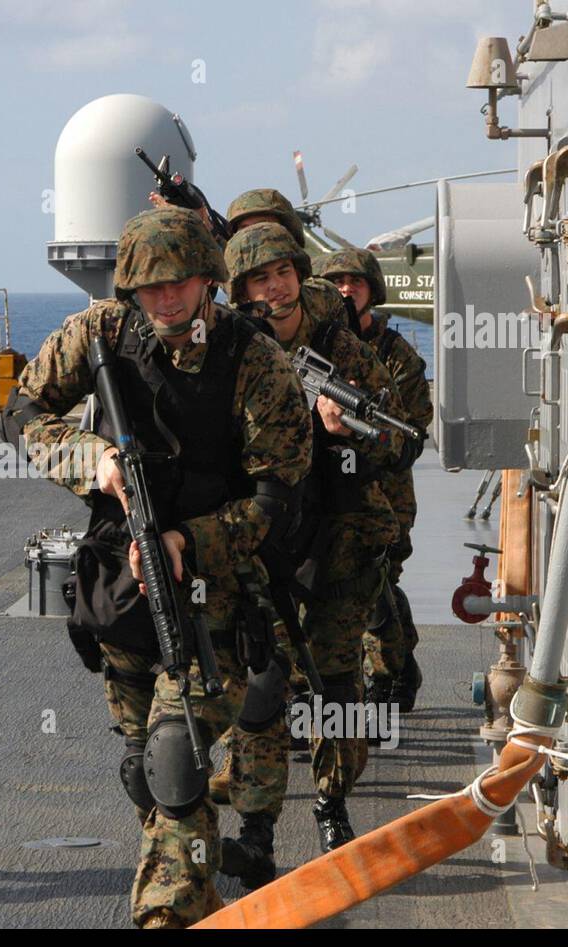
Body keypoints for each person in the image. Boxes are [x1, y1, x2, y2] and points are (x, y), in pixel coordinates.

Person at [0, 207, 311, 927]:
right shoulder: (100, 332)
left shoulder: (254, 361)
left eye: (180, 286)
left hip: (216, 591)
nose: (166, 303)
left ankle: (167, 913)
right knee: (147, 769)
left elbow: (278, 498)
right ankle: (198, 873)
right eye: (150, 290)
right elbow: (20, 413)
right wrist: (92, 459)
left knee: (177, 761)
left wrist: (190, 542)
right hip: (118, 579)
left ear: (208, 281)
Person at [217, 223, 407, 870]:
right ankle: (257, 830)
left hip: (344, 543)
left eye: (283, 273)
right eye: (259, 280)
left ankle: (331, 803)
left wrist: (349, 433)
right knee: (264, 686)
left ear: (300, 274)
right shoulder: (235, 350)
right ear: (243, 291)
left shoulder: (342, 349)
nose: (275, 288)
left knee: (335, 688)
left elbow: (401, 441)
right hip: (267, 541)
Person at [317, 248, 433, 712]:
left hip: (384, 492)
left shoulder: (397, 356)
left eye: (356, 282)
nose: (346, 289)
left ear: (372, 291)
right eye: (337, 282)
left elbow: (413, 432)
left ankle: (392, 673)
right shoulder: (317, 344)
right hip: (325, 489)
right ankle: (388, 672)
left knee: (376, 585)